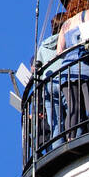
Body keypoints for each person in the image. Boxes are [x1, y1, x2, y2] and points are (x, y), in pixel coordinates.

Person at [56, 0, 89, 138]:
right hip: (85, 66)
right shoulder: (88, 13)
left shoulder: (65, 24)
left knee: (73, 108)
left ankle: (69, 139)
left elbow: (59, 51)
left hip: (67, 71)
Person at [35, 12, 67, 151]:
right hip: (65, 80)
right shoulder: (67, 40)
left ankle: (56, 148)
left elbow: (36, 69)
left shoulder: (43, 47)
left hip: (48, 86)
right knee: (72, 113)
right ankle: (73, 139)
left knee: (55, 122)